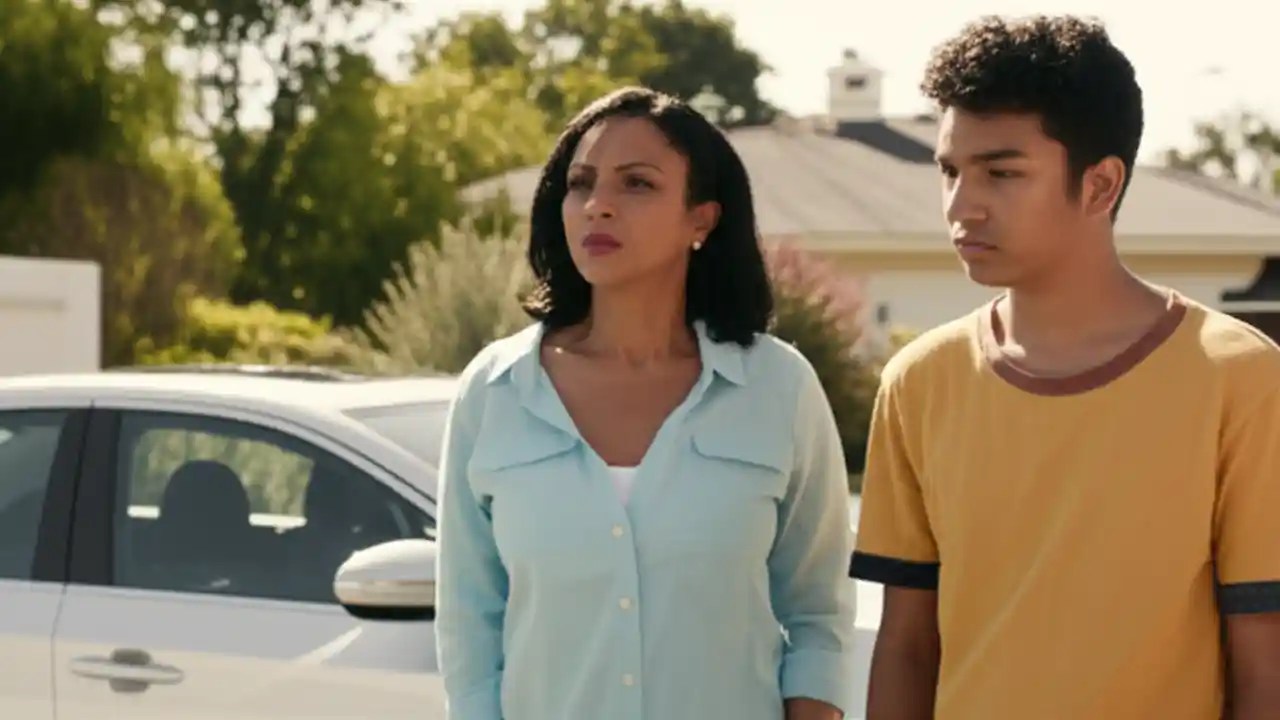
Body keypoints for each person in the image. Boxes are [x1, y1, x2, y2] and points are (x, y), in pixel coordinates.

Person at [851, 14, 1280, 720]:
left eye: (1002, 173)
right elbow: (905, 648)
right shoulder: (919, 383)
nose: (962, 206)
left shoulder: (1238, 380)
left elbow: (1265, 660)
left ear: (1101, 185)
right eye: (950, 171)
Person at [435, 86, 856, 720]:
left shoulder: (778, 388)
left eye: (636, 185)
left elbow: (818, 612)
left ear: (702, 220)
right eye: (581, 183)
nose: (598, 206)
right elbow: (469, 626)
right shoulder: (496, 392)